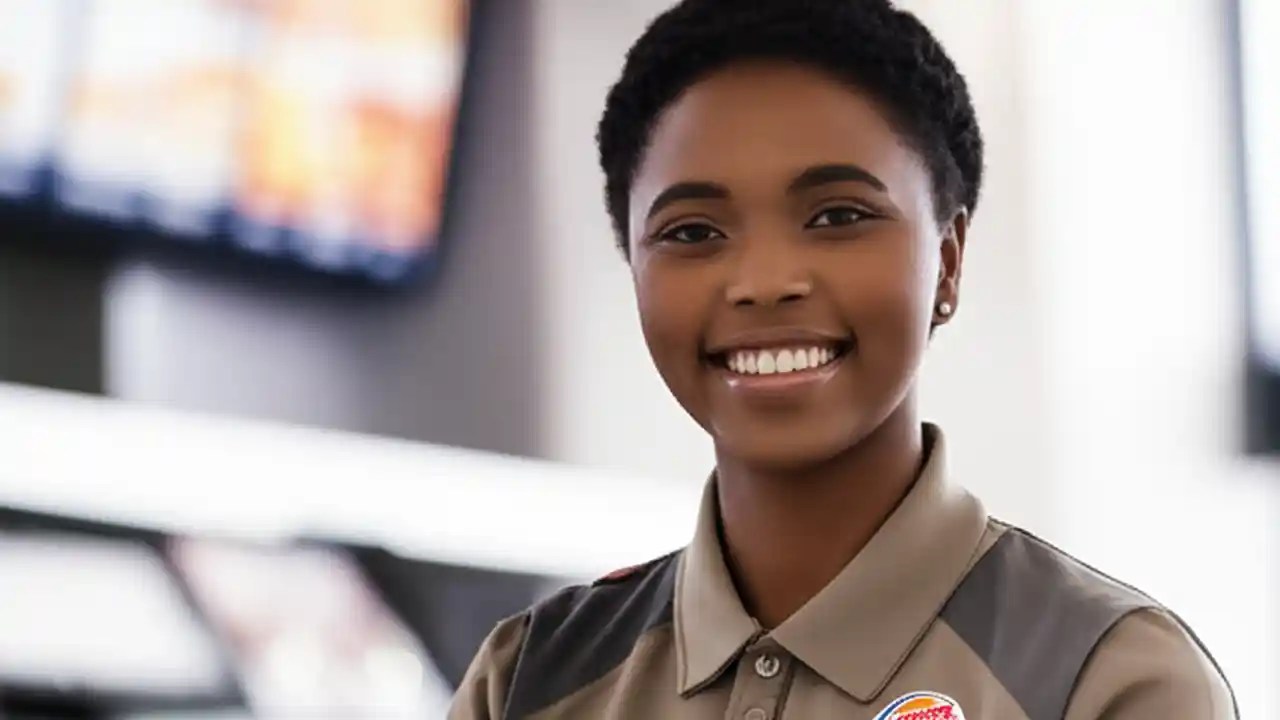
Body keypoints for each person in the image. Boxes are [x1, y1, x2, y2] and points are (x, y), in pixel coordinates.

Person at [450, 0, 1237, 718]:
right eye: (693, 232)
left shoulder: (1107, 677)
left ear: (949, 261)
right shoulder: (530, 679)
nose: (763, 283)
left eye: (837, 216)